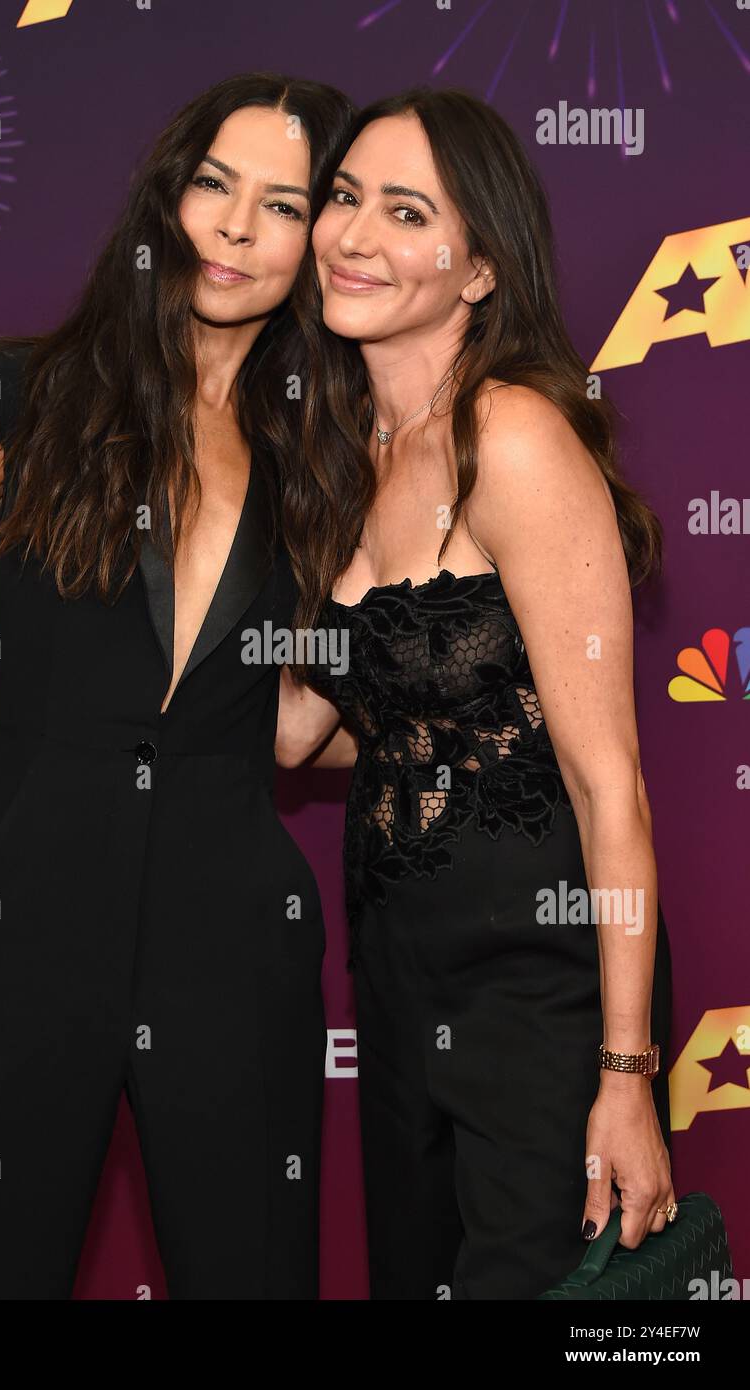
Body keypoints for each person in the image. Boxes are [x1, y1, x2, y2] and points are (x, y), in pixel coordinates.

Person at [0, 72, 354, 1299]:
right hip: (19, 917)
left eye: (281, 205)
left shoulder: (328, 453)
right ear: (168, 195)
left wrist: (460, 738)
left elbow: (297, 727)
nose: (236, 228)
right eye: (215, 185)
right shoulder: (30, 392)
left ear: (319, 241)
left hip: (234, 941)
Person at [276, 87, 675, 1300]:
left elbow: (611, 786)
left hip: (539, 988)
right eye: (343, 198)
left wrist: (625, 1073)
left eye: (405, 212)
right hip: (398, 977)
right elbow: (299, 733)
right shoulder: (345, 458)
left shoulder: (512, 438)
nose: (353, 235)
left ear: (481, 270)